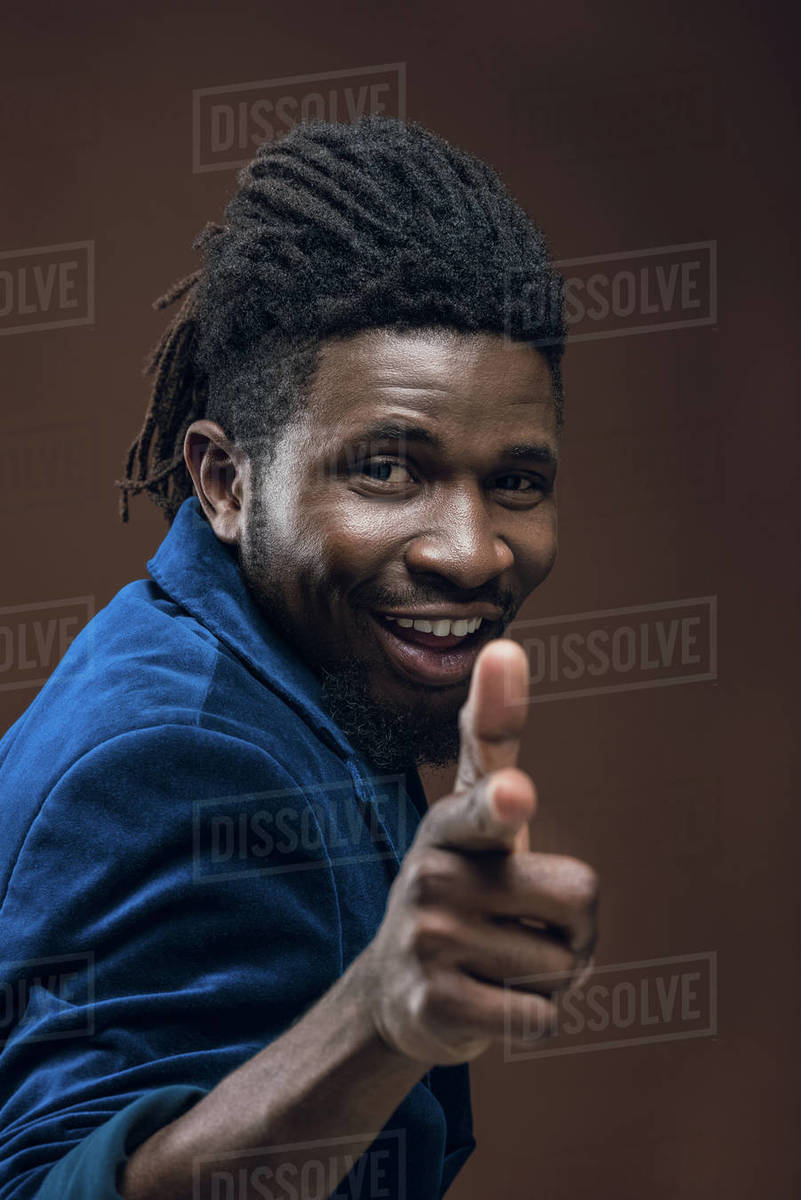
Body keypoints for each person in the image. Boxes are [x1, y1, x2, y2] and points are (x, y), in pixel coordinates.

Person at [0, 115, 599, 1200]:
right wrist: (379, 1015)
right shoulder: (181, 760)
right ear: (227, 483)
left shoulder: (318, 669)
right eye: (386, 470)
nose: (472, 552)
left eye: (515, 481)